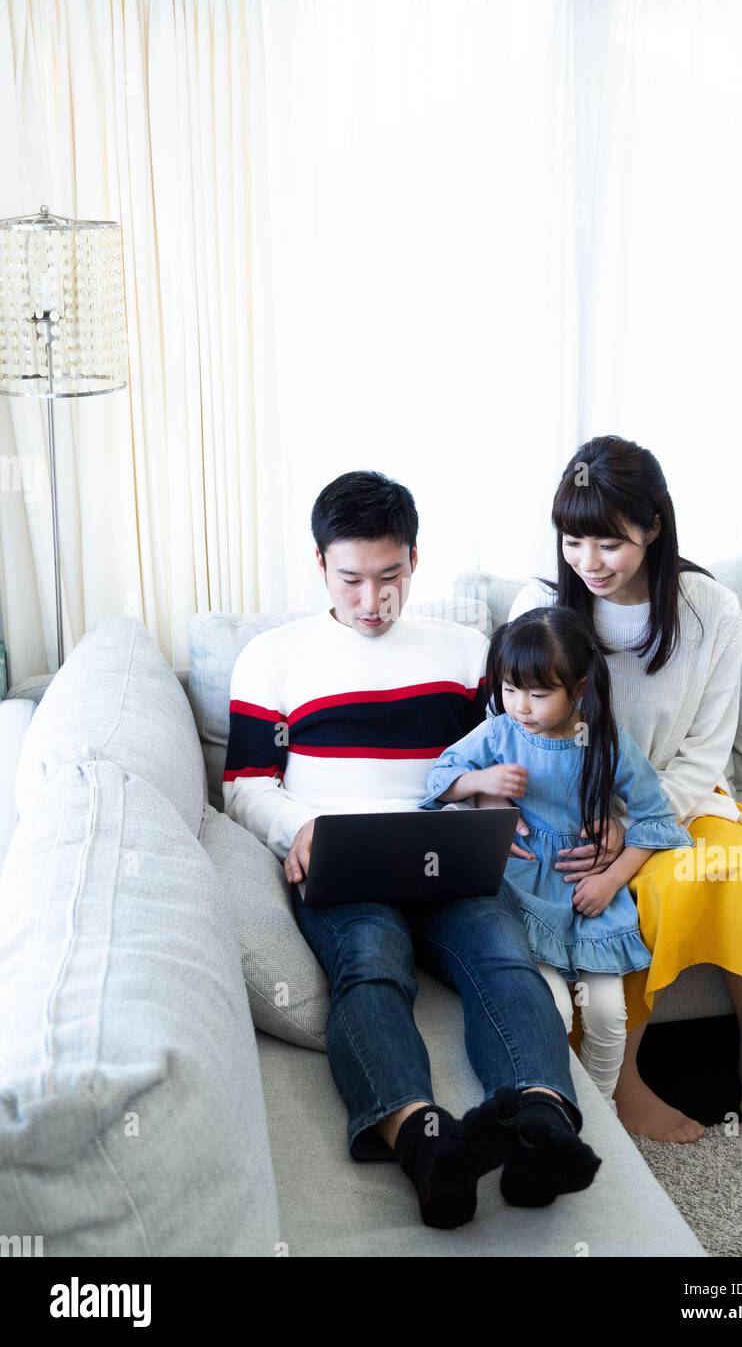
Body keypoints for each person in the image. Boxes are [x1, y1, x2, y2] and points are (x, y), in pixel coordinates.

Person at [222, 469, 601, 1230]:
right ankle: (426, 1141)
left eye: (389, 576)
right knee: (368, 967)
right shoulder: (274, 657)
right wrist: (299, 828)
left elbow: (509, 752)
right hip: (342, 849)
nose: (371, 601)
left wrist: (500, 806)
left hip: (450, 848)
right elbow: (244, 782)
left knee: (502, 957)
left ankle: (543, 1123)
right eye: (352, 578)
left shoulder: (469, 654)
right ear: (320, 564)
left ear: (415, 560)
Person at [508, 435, 742, 1142]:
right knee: (646, 901)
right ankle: (624, 1080)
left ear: (654, 525)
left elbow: (705, 752)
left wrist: (633, 823)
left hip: (683, 799)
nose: (589, 564)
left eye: (610, 543)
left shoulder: (710, 608)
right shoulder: (538, 605)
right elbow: (519, 727)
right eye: (574, 542)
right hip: (575, 809)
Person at [418, 605, 696, 1112]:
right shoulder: (500, 733)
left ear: (580, 688)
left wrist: (612, 881)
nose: (521, 705)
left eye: (539, 693)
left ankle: (605, 1111)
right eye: (509, 689)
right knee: (552, 1009)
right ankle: (565, 1112)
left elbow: (656, 822)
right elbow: (440, 776)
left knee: (610, 1012)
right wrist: (481, 783)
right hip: (523, 885)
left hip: (589, 888)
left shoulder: (607, 745)